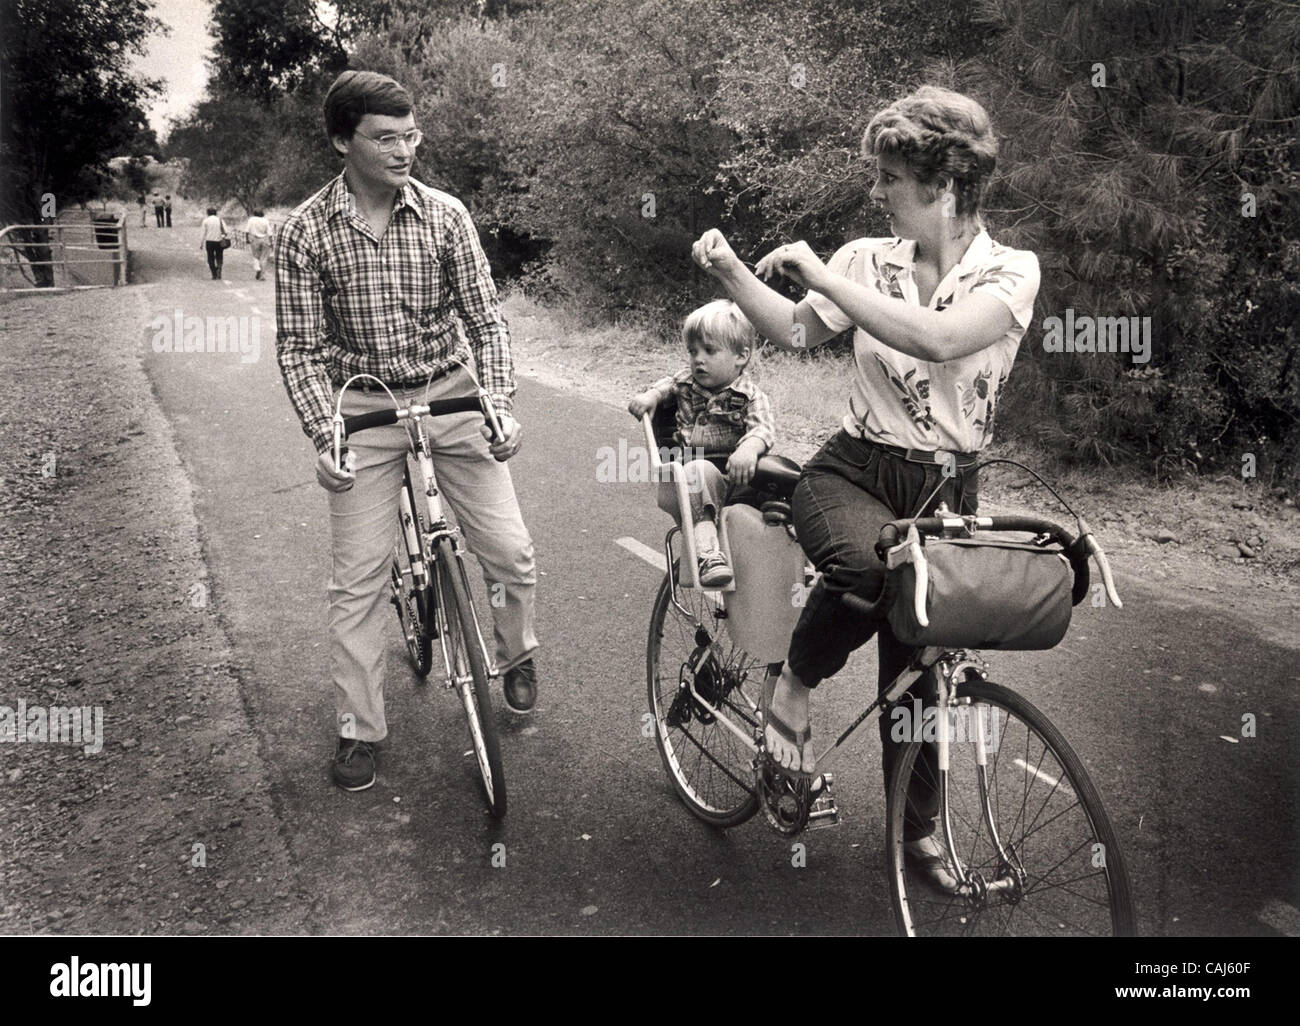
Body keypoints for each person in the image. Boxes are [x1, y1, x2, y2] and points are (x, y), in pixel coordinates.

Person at [691, 85, 1040, 889]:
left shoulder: (1008, 272)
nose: (876, 192)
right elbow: (794, 329)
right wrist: (733, 268)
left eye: (888, 177)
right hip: (853, 468)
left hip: (948, 486)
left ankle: (919, 839)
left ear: (944, 185)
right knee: (868, 570)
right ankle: (796, 687)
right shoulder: (864, 259)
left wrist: (820, 271)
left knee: (919, 671)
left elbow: (940, 339)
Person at [275, 70, 539, 792]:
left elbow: (486, 321)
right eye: (384, 138)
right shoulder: (305, 232)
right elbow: (298, 349)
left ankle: (515, 654)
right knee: (355, 583)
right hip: (363, 405)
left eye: (411, 135)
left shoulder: (447, 214)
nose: (403, 151)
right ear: (342, 141)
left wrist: (501, 404)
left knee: (512, 553)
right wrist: (323, 436)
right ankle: (360, 730)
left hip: (452, 395)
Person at [627, 300, 775, 586]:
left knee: (786, 480)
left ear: (741, 356)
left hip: (738, 473)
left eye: (709, 350)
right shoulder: (686, 383)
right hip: (693, 477)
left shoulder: (751, 396)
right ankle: (708, 553)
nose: (698, 359)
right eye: (692, 352)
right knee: (700, 471)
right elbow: (666, 385)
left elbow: (763, 429)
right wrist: (650, 397)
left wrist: (749, 448)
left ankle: (790, 554)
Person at [199, 207, 228, 279]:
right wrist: (222, 235)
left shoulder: (205, 221)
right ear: (216, 213)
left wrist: (201, 243)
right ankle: (219, 267)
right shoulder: (220, 220)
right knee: (219, 255)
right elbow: (226, 231)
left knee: (210, 257)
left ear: (207, 213)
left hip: (209, 241)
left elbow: (203, 233)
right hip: (219, 241)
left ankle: (214, 273)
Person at [245, 208, 271, 279]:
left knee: (255, 256)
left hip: (255, 239)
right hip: (265, 239)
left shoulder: (251, 220)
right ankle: (262, 275)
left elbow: (247, 231)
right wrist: (271, 242)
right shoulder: (265, 220)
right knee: (264, 258)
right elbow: (269, 233)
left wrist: (247, 239)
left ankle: (257, 268)